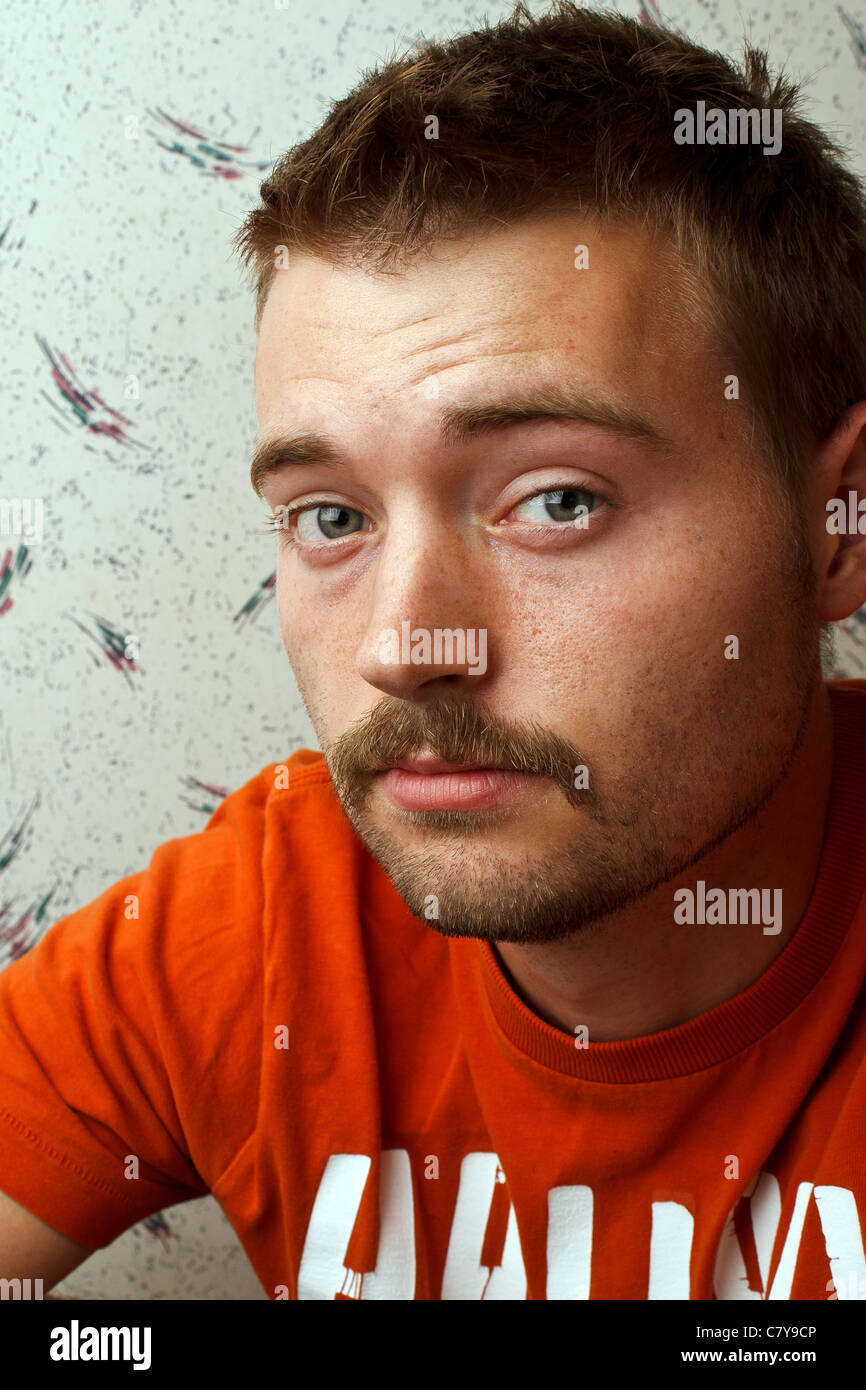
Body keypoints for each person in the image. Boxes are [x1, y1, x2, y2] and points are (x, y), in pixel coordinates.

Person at [2, 2, 866, 1301]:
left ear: (837, 523)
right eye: (332, 516)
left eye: (556, 498)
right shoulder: (256, 928)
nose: (407, 647)